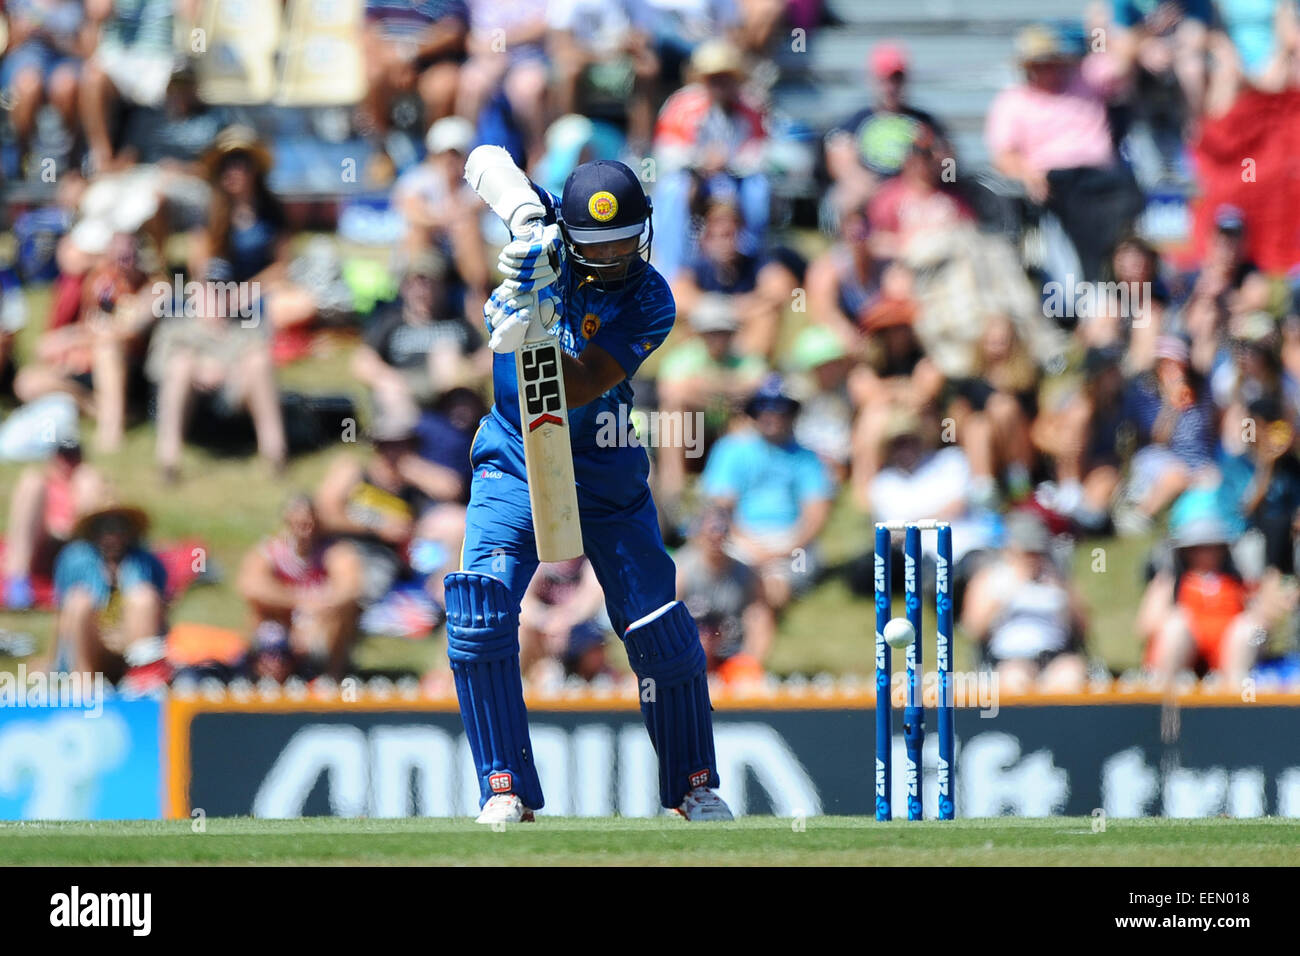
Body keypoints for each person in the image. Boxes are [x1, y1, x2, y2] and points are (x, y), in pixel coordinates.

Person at [446, 147, 733, 823]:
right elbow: (483, 157)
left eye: (623, 245)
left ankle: (694, 786)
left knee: (658, 627)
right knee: (478, 613)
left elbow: (579, 383)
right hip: (517, 458)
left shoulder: (651, 298)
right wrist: (523, 224)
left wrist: (530, 328)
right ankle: (504, 789)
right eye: (594, 249)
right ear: (570, 234)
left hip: (602, 466)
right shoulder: (547, 230)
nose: (610, 261)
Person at [13, 231, 159, 452]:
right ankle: (102, 408)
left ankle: (111, 431)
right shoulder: (100, 281)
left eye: (128, 256)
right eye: (117, 255)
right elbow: (89, 327)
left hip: (130, 369)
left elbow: (125, 331)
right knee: (27, 382)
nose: (122, 263)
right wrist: (70, 345)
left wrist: (75, 339)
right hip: (88, 368)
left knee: (107, 349)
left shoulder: (155, 288)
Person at [146, 260, 287, 482]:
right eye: (209, 290)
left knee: (258, 361)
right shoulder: (177, 328)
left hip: (234, 402)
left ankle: (275, 456)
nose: (215, 297)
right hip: (190, 405)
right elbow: (156, 371)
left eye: (222, 291)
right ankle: (169, 463)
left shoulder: (245, 329)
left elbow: (263, 365)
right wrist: (199, 369)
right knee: (180, 364)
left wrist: (226, 372)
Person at [700, 375, 833, 610]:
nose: (771, 415)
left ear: (791, 413)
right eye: (764, 407)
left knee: (788, 573)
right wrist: (749, 545)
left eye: (780, 408)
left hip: (793, 543)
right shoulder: (731, 449)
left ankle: (755, 606)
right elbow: (721, 509)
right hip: (741, 538)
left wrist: (787, 549)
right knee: (714, 557)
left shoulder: (807, 457)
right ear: (753, 412)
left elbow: (816, 515)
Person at [1137, 513, 1296, 687]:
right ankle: (1164, 691)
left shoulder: (1239, 580)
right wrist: (1177, 619)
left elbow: (1264, 626)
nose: (1207, 553)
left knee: (1249, 628)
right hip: (1184, 651)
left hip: (1226, 655)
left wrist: (1268, 602)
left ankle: (1236, 694)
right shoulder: (1170, 580)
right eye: (1199, 548)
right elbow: (1145, 627)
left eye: (1213, 547)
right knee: (1177, 626)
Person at [236, 495, 364, 681]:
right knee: (259, 608)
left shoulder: (334, 552)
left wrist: (318, 611)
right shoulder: (273, 550)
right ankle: (258, 674)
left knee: (346, 613)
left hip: (321, 629)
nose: (304, 530)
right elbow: (250, 585)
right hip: (285, 628)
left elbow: (350, 589)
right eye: (298, 523)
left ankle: (332, 676)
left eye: (308, 523)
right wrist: (299, 602)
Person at [960, 510, 1089, 693]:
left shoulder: (1056, 577)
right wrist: (1009, 591)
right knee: (1015, 679)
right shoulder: (990, 579)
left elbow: (1083, 628)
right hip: (1009, 658)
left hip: (1055, 655)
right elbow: (973, 628)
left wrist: (1064, 593)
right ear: (1010, 550)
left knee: (1071, 674)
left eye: (1037, 552)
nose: (1033, 558)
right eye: (1027, 552)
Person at [351, 250, 489, 421]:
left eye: (430, 283)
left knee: (446, 353)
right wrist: (389, 379)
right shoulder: (391, 321)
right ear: (404, 287)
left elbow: (489, 358)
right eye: (416, 283)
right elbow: (363, 362)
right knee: (390, 394)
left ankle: (458, 443)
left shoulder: (457, 321)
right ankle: (405, 444)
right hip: (407, 386)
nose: (422, 290)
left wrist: (465, 371)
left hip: (451, 391)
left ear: (443, 286)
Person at [50, 500, 168, 687]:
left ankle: (142, 682)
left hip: (133, 644)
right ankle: (83, 686)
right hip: (93, 644)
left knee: (143, 598)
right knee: (79, 601)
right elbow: (63, 615)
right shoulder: (74, 559)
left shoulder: (146, 561)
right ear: (93, 532)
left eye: (119, 527)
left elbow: (161, 614)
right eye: (103, 527)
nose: (111, 534)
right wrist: (55, 662)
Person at [824, 42, 947, 213]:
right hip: (870, 190)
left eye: (896, 79)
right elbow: (841, 162)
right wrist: (874, 190)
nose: (891, 87)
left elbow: (946, 162)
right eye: (885, 80)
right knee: (846, 197)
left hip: (912, 190)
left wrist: (914, 183)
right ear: (873, 80)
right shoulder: (856, 120)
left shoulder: (924, 121)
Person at [392, 116, 490, 320]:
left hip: (459, 249)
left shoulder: (474, 182)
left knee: (467, 229)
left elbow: (479, 207)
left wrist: (448, 219)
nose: (449, 161)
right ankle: (418, 301)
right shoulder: (418, 179)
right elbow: (412, 211)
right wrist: (446, 220)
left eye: (455, 155)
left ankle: (477, 296)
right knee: (419, 232)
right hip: (433, 247)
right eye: (444, 154)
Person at [2, 435, 108, 610]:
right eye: (63, 455)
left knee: (88, 480)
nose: (67, 462)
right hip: (40, 543)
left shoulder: (86, 482)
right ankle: (18, 580)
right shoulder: (40, 484)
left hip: (76, 543)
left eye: (73, 456)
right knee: (32, 484)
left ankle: (91, 574)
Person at [675, 506, 773, 687]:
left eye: (721, 533)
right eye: (710, 533)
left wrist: (751, 659)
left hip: (731, 655)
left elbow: (759, 619)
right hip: (688, 656)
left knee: (748, 681)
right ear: (698, 535)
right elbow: (666, 624)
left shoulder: (747, 575)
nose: (716, 539)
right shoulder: (681, 572)